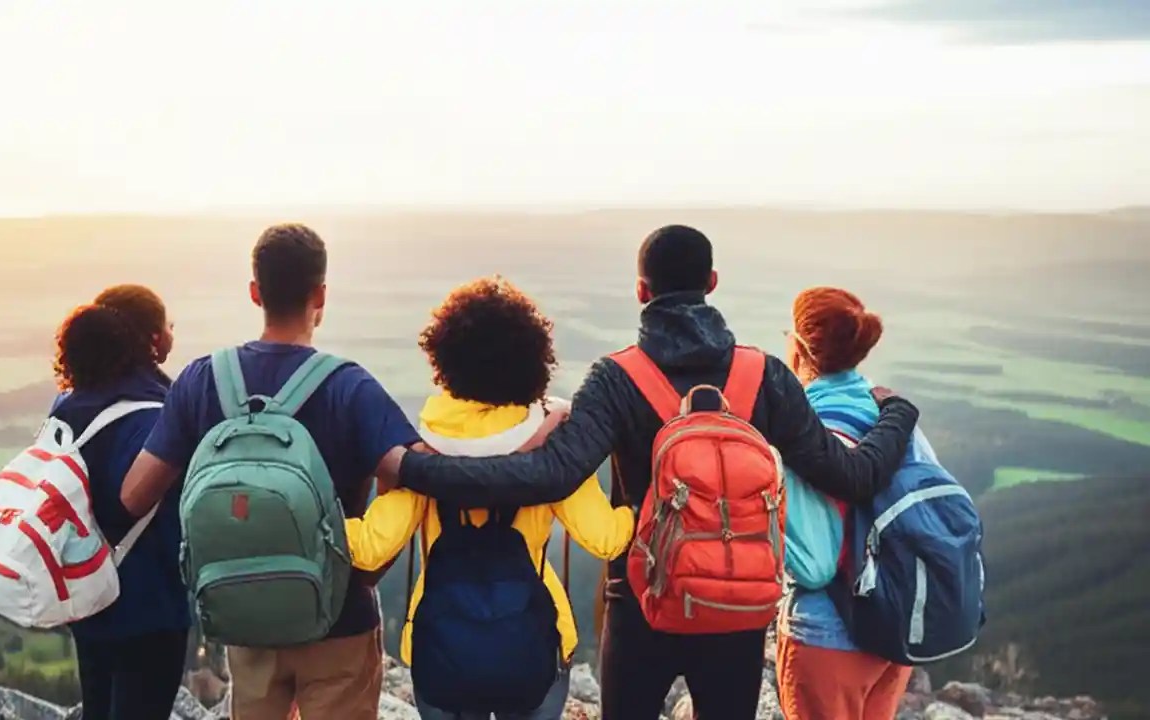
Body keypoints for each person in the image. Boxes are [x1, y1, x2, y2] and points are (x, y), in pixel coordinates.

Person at [376, 225, 922, 719]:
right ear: (712, 282)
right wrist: (897, 411)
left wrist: (416, 469)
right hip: (735, 604)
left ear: (641, 291)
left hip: (641, 604)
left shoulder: (616, 379)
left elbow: (546, 476)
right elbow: (852, 476)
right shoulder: (766, 375)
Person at [119, 223, 421, 720]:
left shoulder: (201, 379)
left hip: (244, 611)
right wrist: (368, 564)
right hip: (339, 620)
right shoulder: (349, 387)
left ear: (255, 292)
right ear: (320, 294)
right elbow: (406, 470)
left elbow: (135, 494)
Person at [345, 277, 635, 720]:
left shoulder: (424, 447)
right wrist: (637, 506)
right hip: (535, 639)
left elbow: (369, 548)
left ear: (445, 359)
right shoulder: (551, 445)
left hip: (441, 644)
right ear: (531, 359)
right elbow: (607, 540)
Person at [776, 287, 914, 720]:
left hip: (829, 629)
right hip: (895, 623)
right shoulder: (882, 406)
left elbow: (815, 563)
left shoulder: (803, 423)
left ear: (798, 347)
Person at [49, 284, 185, 720]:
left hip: (86, 592)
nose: (171, 332)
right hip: (151, 604)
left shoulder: (67, 405)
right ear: (152, 340)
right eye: (166, 324)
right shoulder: (161, 414)